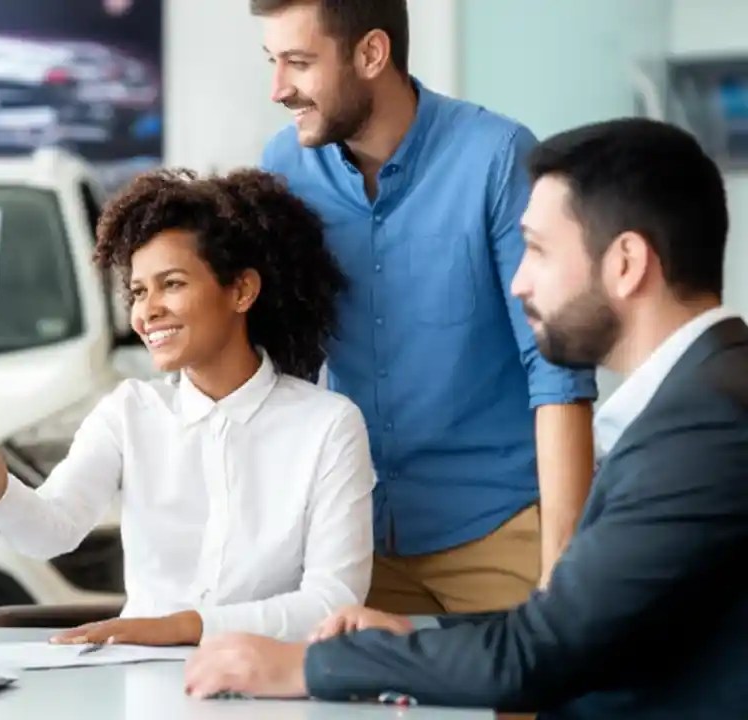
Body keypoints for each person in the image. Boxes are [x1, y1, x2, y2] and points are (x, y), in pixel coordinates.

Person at [183, 118, 748, 719]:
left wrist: (299, 666)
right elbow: (580, 623)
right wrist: (412, 641)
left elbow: (536, 656)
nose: (519, 281)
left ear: (627, 263)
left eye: (536, 250)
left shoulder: (704, 425)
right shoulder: (698, 399)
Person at [252, 0, 599, 613]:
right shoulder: (283, 169)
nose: (278, 88)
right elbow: (286, 372)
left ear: (371, 54)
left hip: (500, 531)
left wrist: (562, 579)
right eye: (272, 61)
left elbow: (559, 373)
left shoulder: (497, 159)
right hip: (355, 541)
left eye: (299, 63)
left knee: (522, 702)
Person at [0, 168, 376, 647]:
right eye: (139, 291)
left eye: (171, 284)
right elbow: (52, 529)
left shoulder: (328, 425)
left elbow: (332, 601)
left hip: (272, 680)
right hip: (143, 683)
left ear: (241, 291)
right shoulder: (130, 411)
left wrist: (181, 627)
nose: (147, 312)